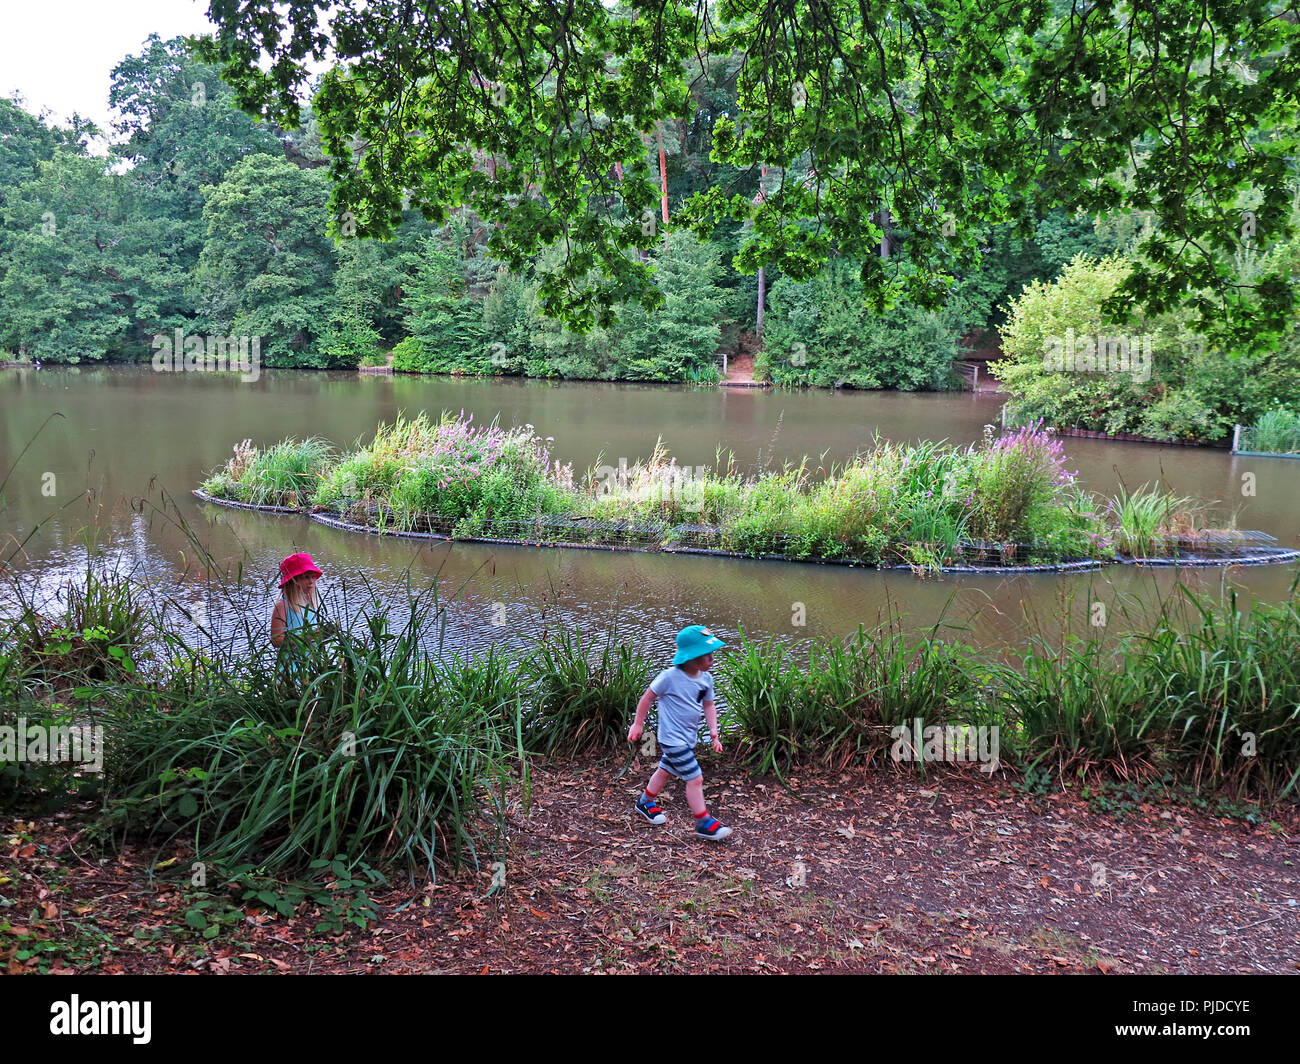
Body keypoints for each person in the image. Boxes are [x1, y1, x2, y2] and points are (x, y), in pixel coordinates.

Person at [626, 624, 732, 841]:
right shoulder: (670, 677)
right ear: (692, 657)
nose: (712, 659)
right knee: (695, 778)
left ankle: (644, 803)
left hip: (688, 738)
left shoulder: (706, 679)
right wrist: (638, 724)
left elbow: (709, 705)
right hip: (672, 739)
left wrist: (714, 732)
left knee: (665, 770)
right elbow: (647, 697)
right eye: (707, 654)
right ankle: (703, 822)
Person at [271, 552, 322, 680]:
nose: (311, 581)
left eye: (313, 577)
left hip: (310, 666)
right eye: (306, 577)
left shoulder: (310, 603)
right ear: (294, 580)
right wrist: (305, 638)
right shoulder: (283, 605)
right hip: (291, 670)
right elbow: (276, 640)